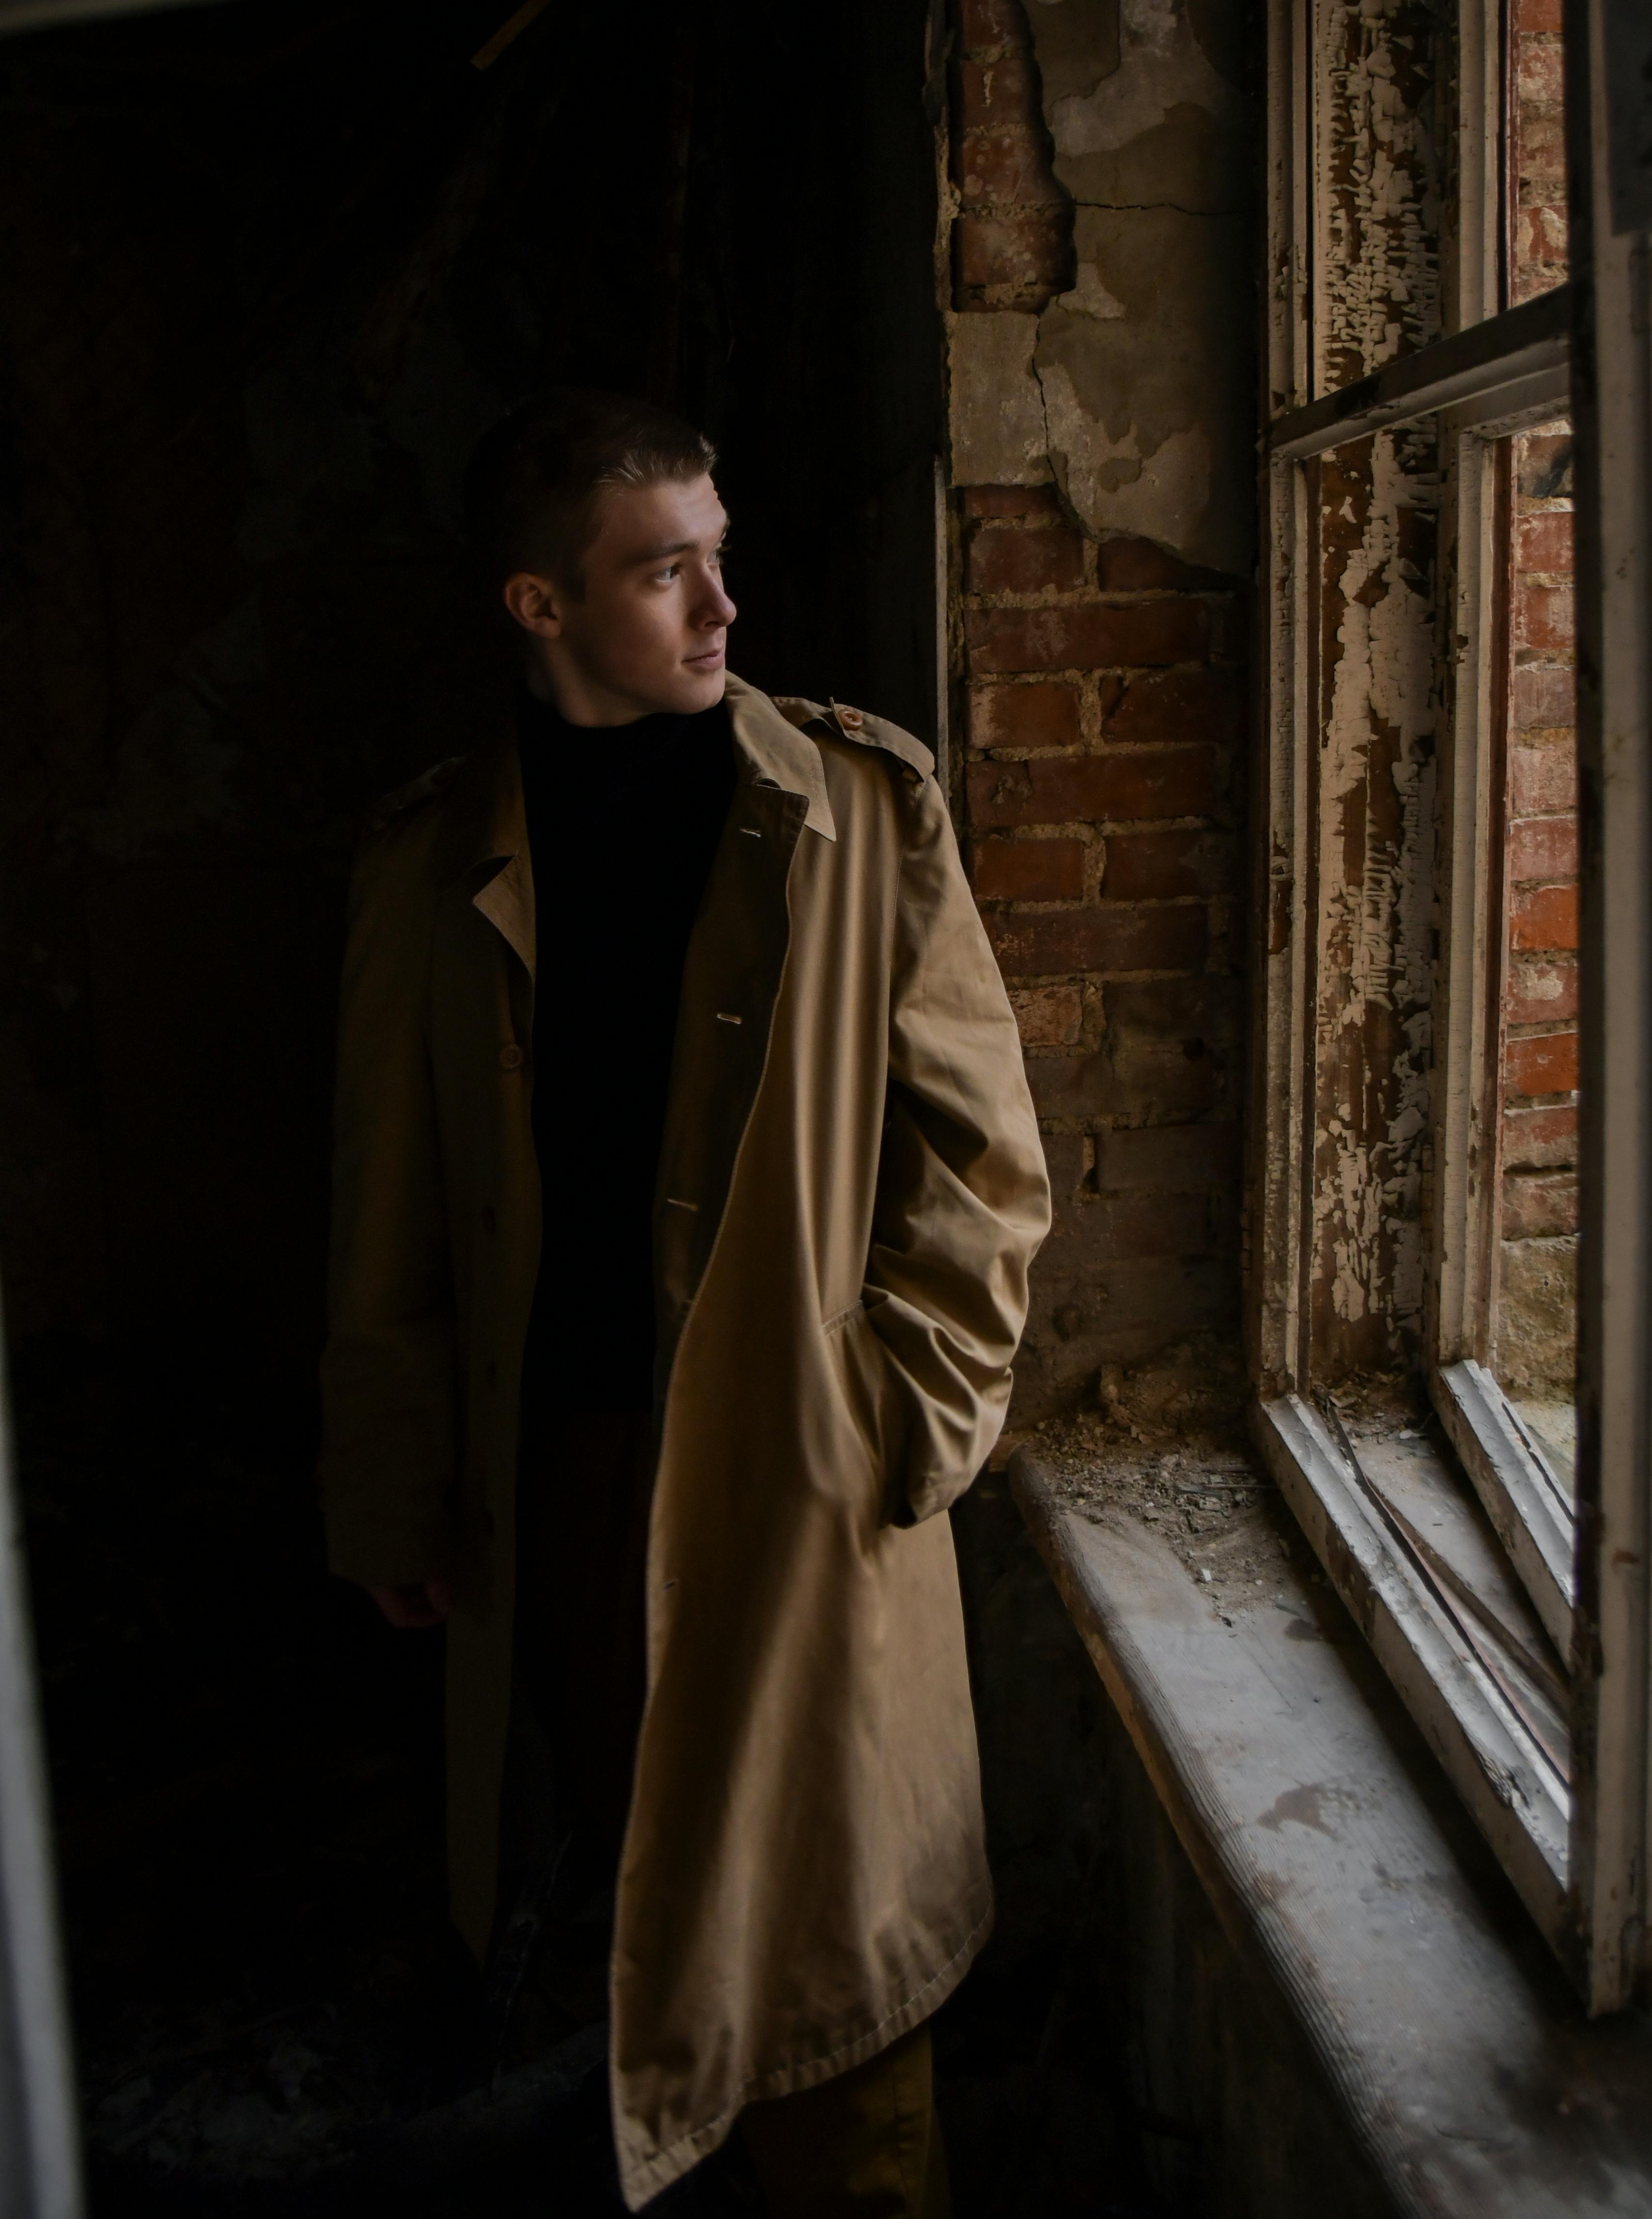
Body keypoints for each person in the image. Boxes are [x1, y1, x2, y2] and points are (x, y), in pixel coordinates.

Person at [318, 388, 1050, 2214]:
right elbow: (385, 1215)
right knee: (631, 1867)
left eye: (720, 560)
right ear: (540, 605)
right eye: (667, 572)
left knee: (839, 1934)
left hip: (805, 1459)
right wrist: (395, 1478)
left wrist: (904, 1410)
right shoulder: (428, 862)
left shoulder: (858, 807)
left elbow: (985, 1158)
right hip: (557, 1459)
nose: (725, 610)